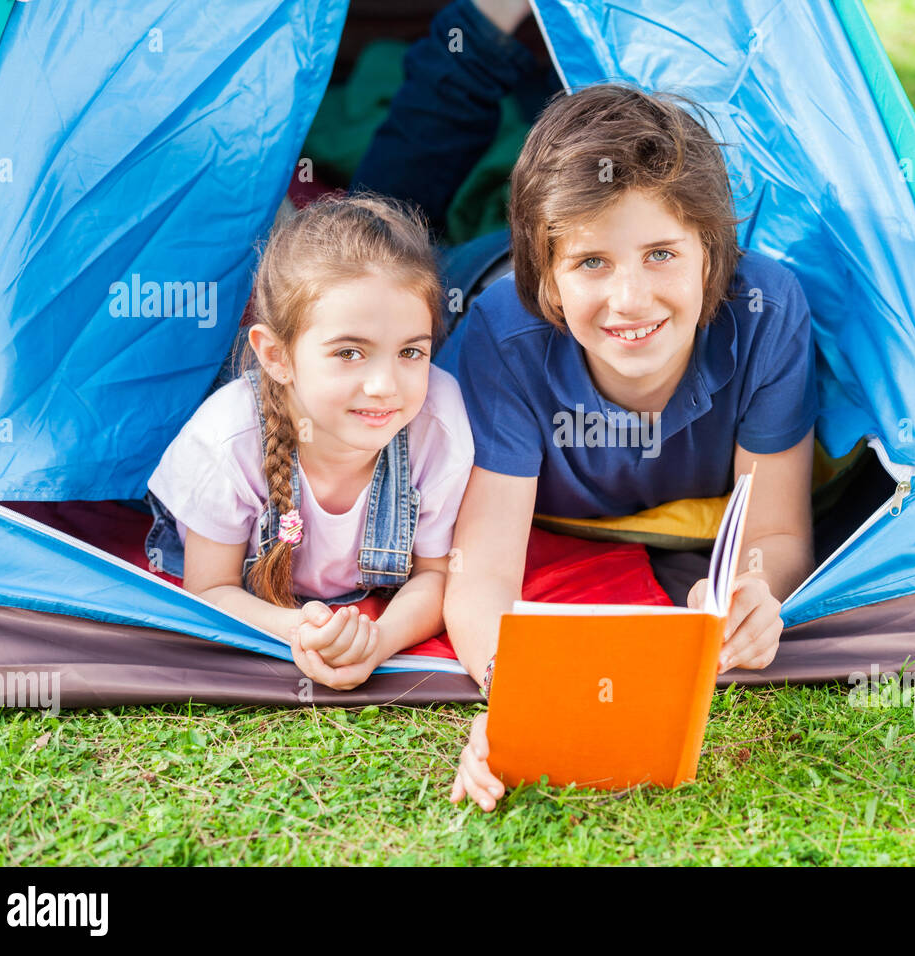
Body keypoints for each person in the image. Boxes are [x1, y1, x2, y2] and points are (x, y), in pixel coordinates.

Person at [445, 85, 819, 811]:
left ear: (711, 256)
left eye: (660, 254)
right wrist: (518, 692)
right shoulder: (503, 337)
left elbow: (776, 531)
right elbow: (481, 567)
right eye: (592, 263)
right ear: (551, 279)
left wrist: (750, 593)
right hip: (467, 277)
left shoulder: (767, 312)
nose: (630, 299)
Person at [144, 194, 474, 691]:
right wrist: (301, 630)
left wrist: (376, 640)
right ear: (276, 356)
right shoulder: (226, 440)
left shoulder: (438, 423)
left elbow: (434, 576)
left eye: (410, 351)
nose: (385, 385)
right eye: (349, 352)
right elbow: (211, 588)